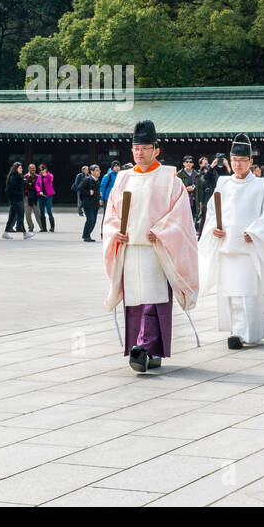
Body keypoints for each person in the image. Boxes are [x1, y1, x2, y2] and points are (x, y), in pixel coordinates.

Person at [103, 120, 199, 373]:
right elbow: (112, 213)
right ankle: (142, 347)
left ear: (156, 149)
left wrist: (162, 231)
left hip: (156, 248)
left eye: (145, 147)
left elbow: (180, 215)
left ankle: (145, 348)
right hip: (131, 248)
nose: (139, 152)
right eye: (136, 148)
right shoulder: (123, 178)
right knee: (135, 302)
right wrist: (115, 232)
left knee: (153, 301)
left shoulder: (170, 178)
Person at [199, 134, 264, 348]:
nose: (237, 164)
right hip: (227, 247)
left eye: (241, 160)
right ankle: (236, 330)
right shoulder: (223, 183)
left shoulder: (261, 186)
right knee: (230, 292)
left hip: (248, 247)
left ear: (250, 161)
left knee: (247, 293)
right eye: (234, 160)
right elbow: (212, 212)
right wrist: (215, 229)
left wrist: (256, 232)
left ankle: (245, 331)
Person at [2, 162, 32, 239]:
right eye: (20, 168)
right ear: (16, 169)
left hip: (19, 199)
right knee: (20, 216)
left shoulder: (19, 176)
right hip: (16, 200)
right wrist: (13, 199)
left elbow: (22, 183)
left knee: (12, 217)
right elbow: (8, 190)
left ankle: (5, 233)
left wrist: (27, 181)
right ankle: (25, 233)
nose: (22, 169)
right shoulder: (12, 178)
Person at [78, 165, 101, 241]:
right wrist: (88, 192)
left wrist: (99, 195)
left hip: (95, 203)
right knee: (90, 219)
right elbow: (79, 188)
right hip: (88, 203)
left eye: (99, 170)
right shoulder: (87, 179)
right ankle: (86, 236)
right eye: (97, 170)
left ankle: (87, 235)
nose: (99, 172)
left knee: (93, 220)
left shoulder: (97, 180)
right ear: (92, 171)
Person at [36, 162, 56, 233]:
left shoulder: (50, 175)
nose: (41, 171)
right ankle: (44, 228)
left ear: (46, 169)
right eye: (40, 170)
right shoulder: (39, 176)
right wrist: (39, 191)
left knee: (49, 210)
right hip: (41, 195)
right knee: (41, 211)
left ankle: (52, 227)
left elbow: (51, 179)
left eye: (43, 169)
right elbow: (37, 185)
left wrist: (46, 175)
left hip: (48, 195)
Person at [23, 163, 42, 233]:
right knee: (27, 214)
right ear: (28, 169)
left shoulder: (38, 176)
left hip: (36, 197)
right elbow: (25, 186)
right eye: (31, 168)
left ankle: (42, 227)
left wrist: (30, 185)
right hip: (27, 197)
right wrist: (31, 185)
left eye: (34, 168)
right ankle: (30, 227)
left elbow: (39, 186)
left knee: (38, 213)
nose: (33, 169)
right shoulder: (25, 176)